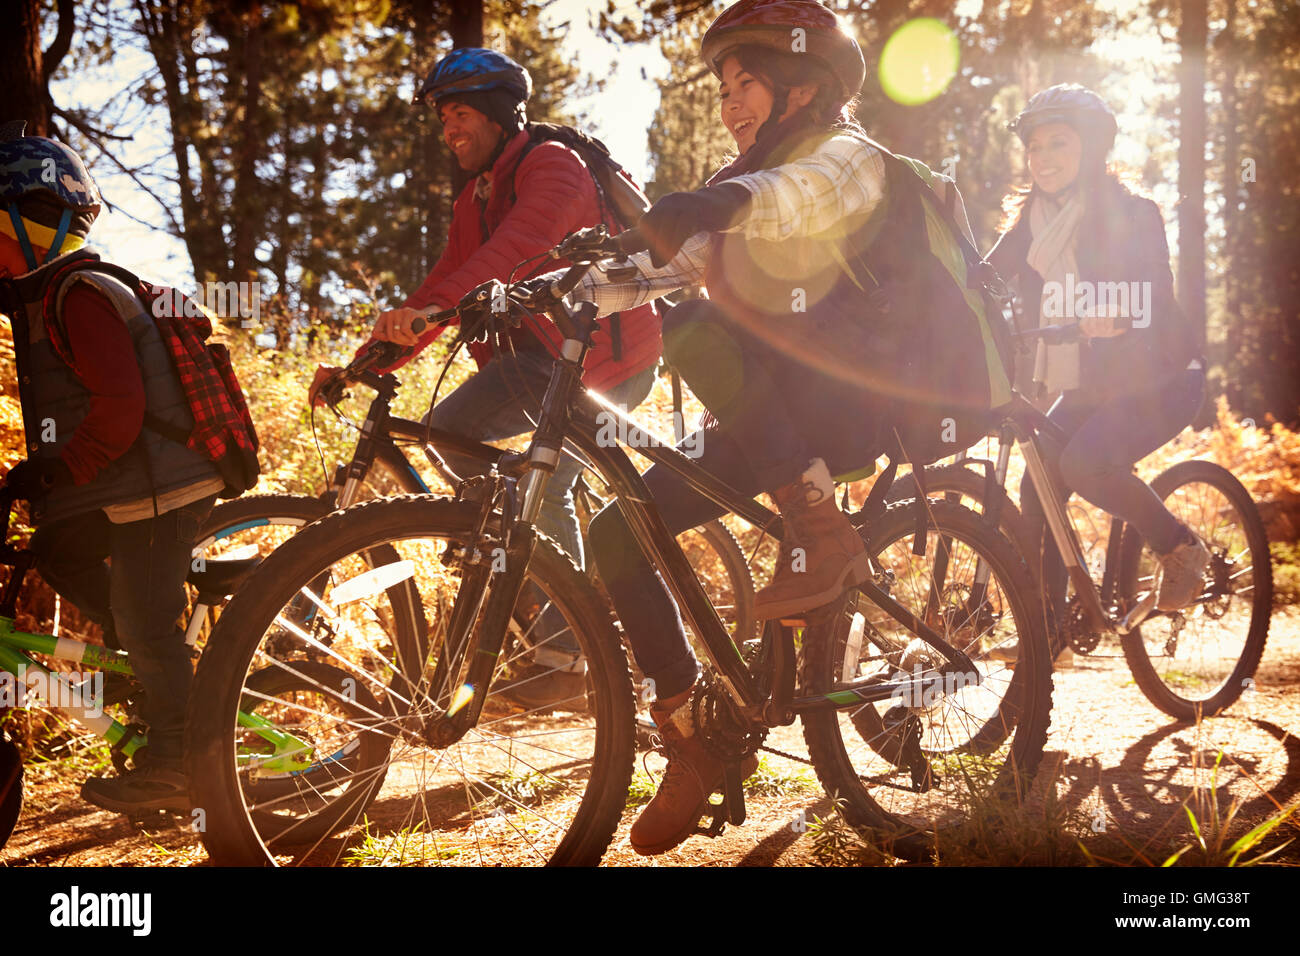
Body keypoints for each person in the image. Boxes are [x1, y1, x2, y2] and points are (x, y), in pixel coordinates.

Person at [537, 0, 938, 854]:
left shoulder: (847, 157)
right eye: (721, 90)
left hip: (850, 400)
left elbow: (792, 200)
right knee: (618, 533)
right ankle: (694, 736)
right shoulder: (741, 185)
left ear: (803, 84)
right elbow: (666, 265)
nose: (729, 103)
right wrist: (554, 288)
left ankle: (821, 527)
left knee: (693, 326)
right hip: (769, 418)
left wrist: (708, 202)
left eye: (745, 83)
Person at [309, 49, 661, 706]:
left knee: (536, 483)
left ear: (500, 114)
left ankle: (566, 653)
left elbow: (519, 248)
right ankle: (521, 559)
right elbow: (442, 284)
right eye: (443, 119)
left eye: (461, 114)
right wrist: (366, 360)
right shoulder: (473, 200)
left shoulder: (553, 165)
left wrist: (435, 309)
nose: (450, 130)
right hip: (536, 364)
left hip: (607, 358)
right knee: (452, 438)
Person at [0, 122, 223, 812]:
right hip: (131, 485)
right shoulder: (47, 295)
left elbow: (121, 407)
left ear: (32, 224)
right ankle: (146, 674)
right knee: (60, 550)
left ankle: (177, 758)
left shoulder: (79, 294)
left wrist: (61, 470)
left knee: (146, 616)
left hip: (161, 486)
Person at [988, 84, 1208, 633]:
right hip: (1093, 385)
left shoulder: (1134, 213)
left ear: (1091, 148)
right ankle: (1051, 626)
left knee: (1085, 464)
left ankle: (1180, 547)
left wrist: (1117, 311)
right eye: (1035, 148)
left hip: (1161, 379)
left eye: (1058, 144)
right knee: (1038, 484)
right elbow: (984, 278)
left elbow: (1154, 287)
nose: (1042, 159)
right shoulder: (1032, 223)